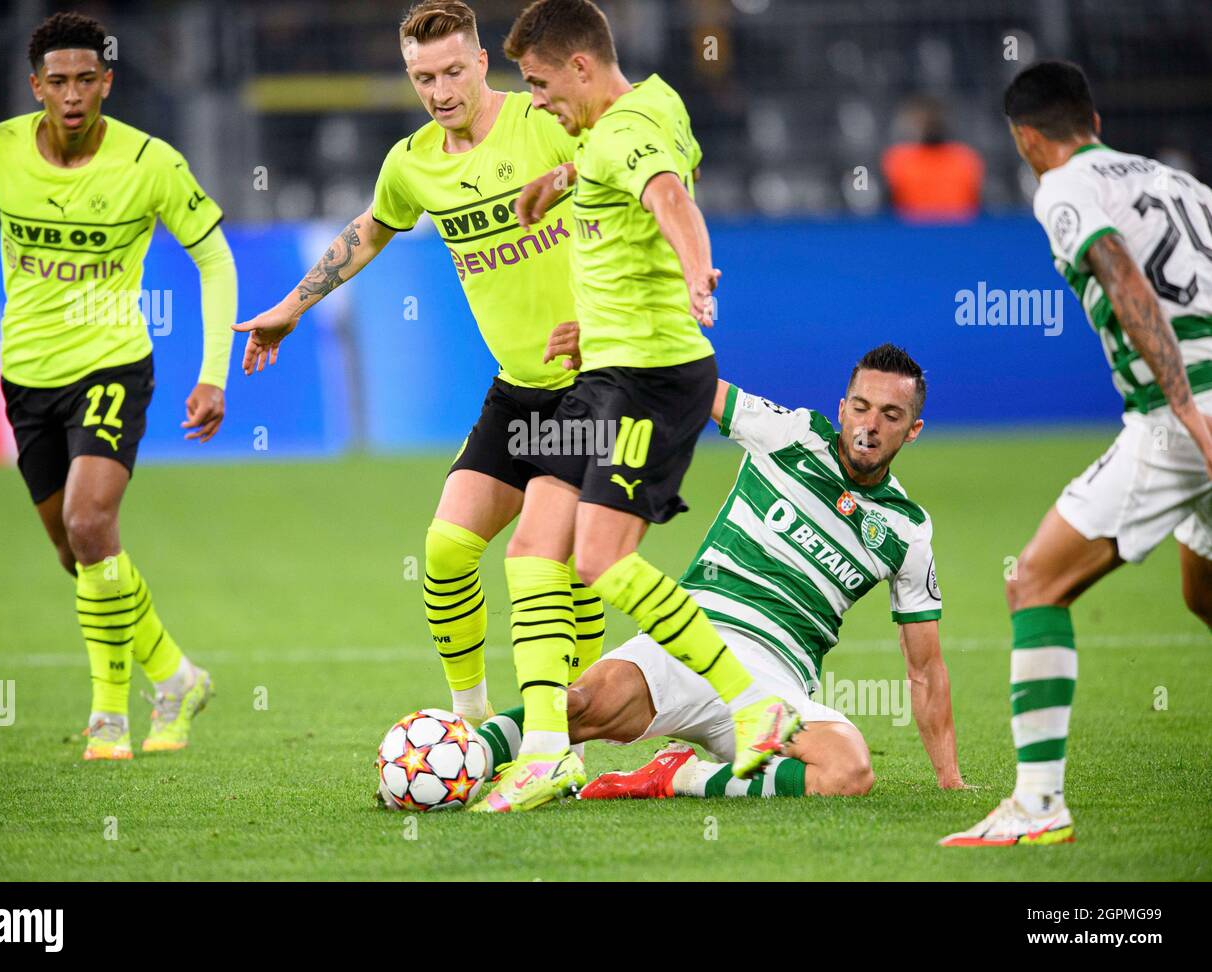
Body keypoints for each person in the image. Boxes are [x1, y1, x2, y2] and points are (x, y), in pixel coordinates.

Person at [232, 1, 605, 731]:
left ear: (482, 64)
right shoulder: (413, 163)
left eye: (452, 72)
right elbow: (372, 228)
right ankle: (467, 724)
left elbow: (634, 184)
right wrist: (293, 304)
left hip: (594, 388)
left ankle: (569, 735)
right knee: (445, 550)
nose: (439, 91)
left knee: (555, 567)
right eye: (422, 77)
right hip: (519, 389)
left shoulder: (547, 126)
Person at [472, 0, 799, 813]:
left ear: (581, 66)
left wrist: (698, 274)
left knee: (600, 563)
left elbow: (668, 201)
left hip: (650, 383)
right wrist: (562, 181)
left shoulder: (622, 135)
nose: (537, 102)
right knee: (531, 550)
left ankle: (752, 701)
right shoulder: (649, 104)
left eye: (542, 84)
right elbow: (626, 174)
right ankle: (547, 749)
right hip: (607, 372)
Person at [0, 12, 236, 759]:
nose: (72, 95)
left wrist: (211, 374)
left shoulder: (151, 163)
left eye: (85, 80)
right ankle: (176, 676)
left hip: (112, 367)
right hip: (28, 378)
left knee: (90, 522)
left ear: (108, 82)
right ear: (36, 85)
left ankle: (108, 717)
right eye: (57, 81)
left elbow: (217, 260)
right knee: (78, 555)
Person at [476, 347, 963, 801]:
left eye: (890, 415)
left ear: (913, 429)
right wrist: (607, 348)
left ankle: (681, 775)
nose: (870, 424)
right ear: (841, 407)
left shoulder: (907, 529)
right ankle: (459, 754)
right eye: (861, 407)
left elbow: (925, 670)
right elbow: (690, 382)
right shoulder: (791, 435)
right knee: (576, 706)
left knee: (848, 771)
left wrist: (950, 780)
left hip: (774, 681)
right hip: (688, 642)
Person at [941, 61, 1212, 847]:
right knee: (1203, 596)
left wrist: (1188, 410)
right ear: (1092, 117)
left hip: (1178, 420)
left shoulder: (1061, 187)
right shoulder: (1181, 182)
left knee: (1034, 581)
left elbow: (1121, 273)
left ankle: (1037, 805)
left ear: (1027, 138)